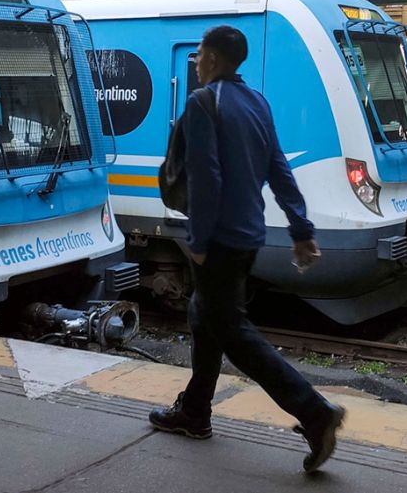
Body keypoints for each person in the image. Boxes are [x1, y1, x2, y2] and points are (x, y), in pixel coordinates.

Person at [148, 25, 345, 472]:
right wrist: (300, 230)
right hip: (248, 234)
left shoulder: (203, 103)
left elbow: (205, 178)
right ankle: (195, 413)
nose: (196, 63)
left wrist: (197, 242)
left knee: (232, 332)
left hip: (217, 239)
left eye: (199, 56)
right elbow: (279, 168)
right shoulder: (258, 102)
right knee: (205, 315)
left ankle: (315, 413)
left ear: (213, 60)